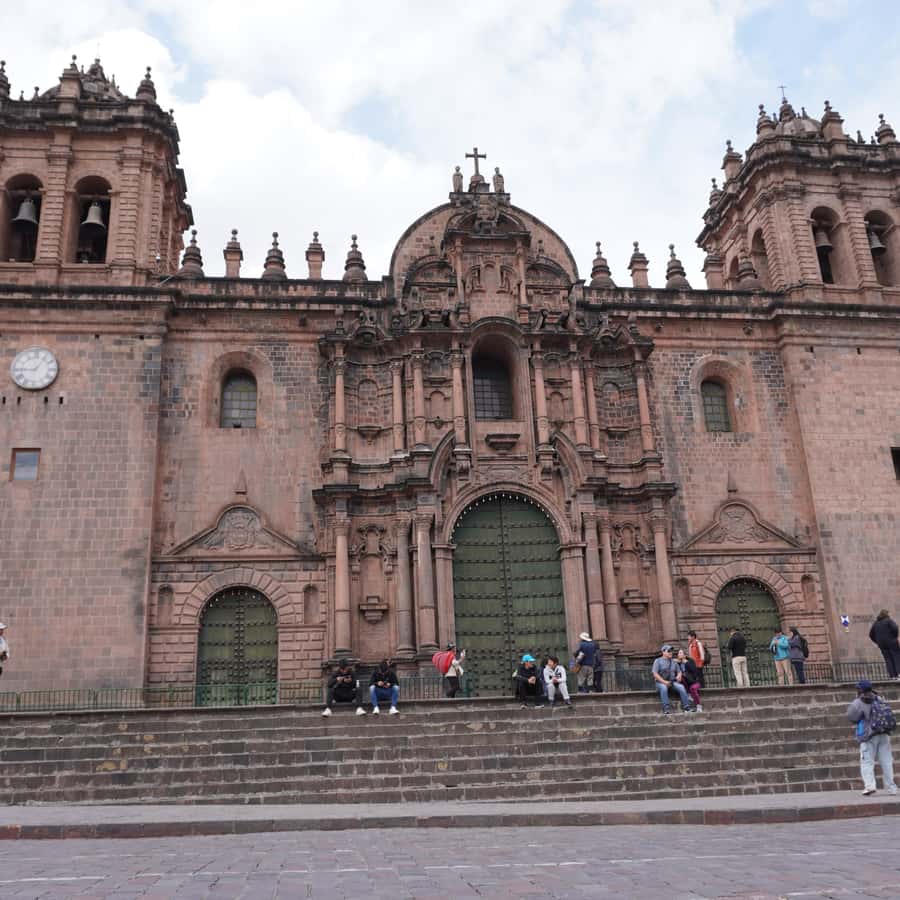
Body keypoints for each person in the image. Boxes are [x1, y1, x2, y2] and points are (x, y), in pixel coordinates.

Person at [847, 679, 897, 796]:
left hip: (868, 735)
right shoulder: (880, 698)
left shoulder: (859, 702)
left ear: (860, 690)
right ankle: (892, 788)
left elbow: (852, 717)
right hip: (884, 733)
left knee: (867, 761)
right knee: (887, 762)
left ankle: (870, 786)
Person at [651, 644, 694, 714]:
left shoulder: (674, 662)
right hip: (660, 682)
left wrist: (679, 676)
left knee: (681, 687)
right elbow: (655, 674)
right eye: (668, 651)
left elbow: (679, 671)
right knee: (664, 688)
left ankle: (687, 707)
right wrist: (664, 682)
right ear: (663, 652)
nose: (671, 652)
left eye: (671, 651)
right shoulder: (657, 661)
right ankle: (666, 708)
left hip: (672, 682)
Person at [869, 610, 900, 681]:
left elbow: (871, 635)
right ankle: (899, 674)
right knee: (896, 657)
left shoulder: (875, 623)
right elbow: (895, 628)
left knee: (888, 659)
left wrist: (877, 641)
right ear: (886, 614)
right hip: (891, 642)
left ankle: (892, 676)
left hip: (882, 644)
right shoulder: (888, 620)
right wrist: (894, 637)